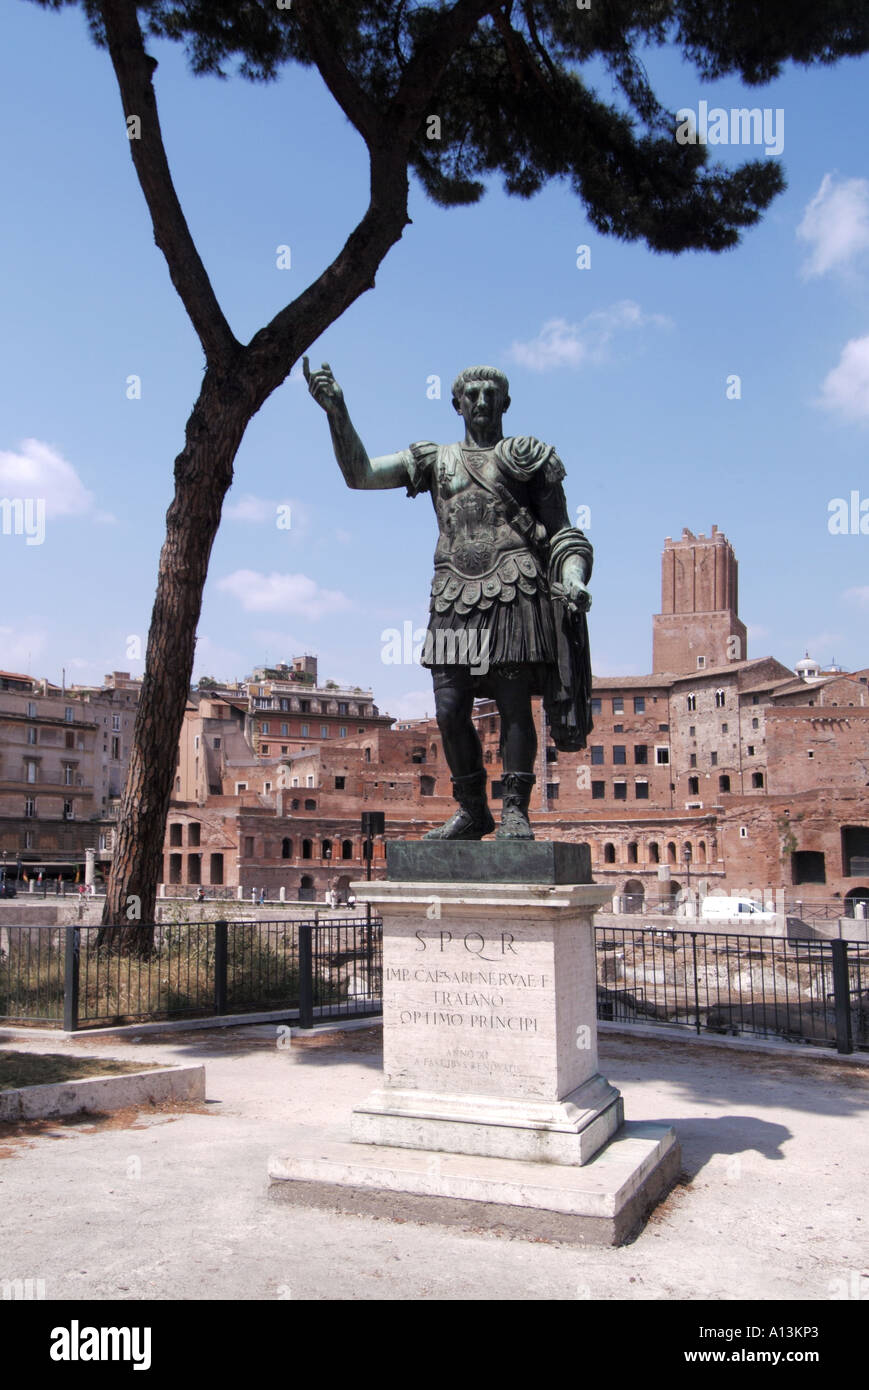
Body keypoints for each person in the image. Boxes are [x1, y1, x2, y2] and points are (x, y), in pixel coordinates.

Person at [304, 359, 593, 840]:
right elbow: (361, 473)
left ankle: (516, 810)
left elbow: (564, 534)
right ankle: (473, 809)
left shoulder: (527, 457)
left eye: (490, 394)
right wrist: (336, 411)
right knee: (449, 708)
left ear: (505, 403)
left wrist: (574, 577)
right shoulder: (435, 460)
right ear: (456, 403)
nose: (481, 402)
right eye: (472, 394)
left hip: (514, 587)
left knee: (513, 701)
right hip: (455, 595)